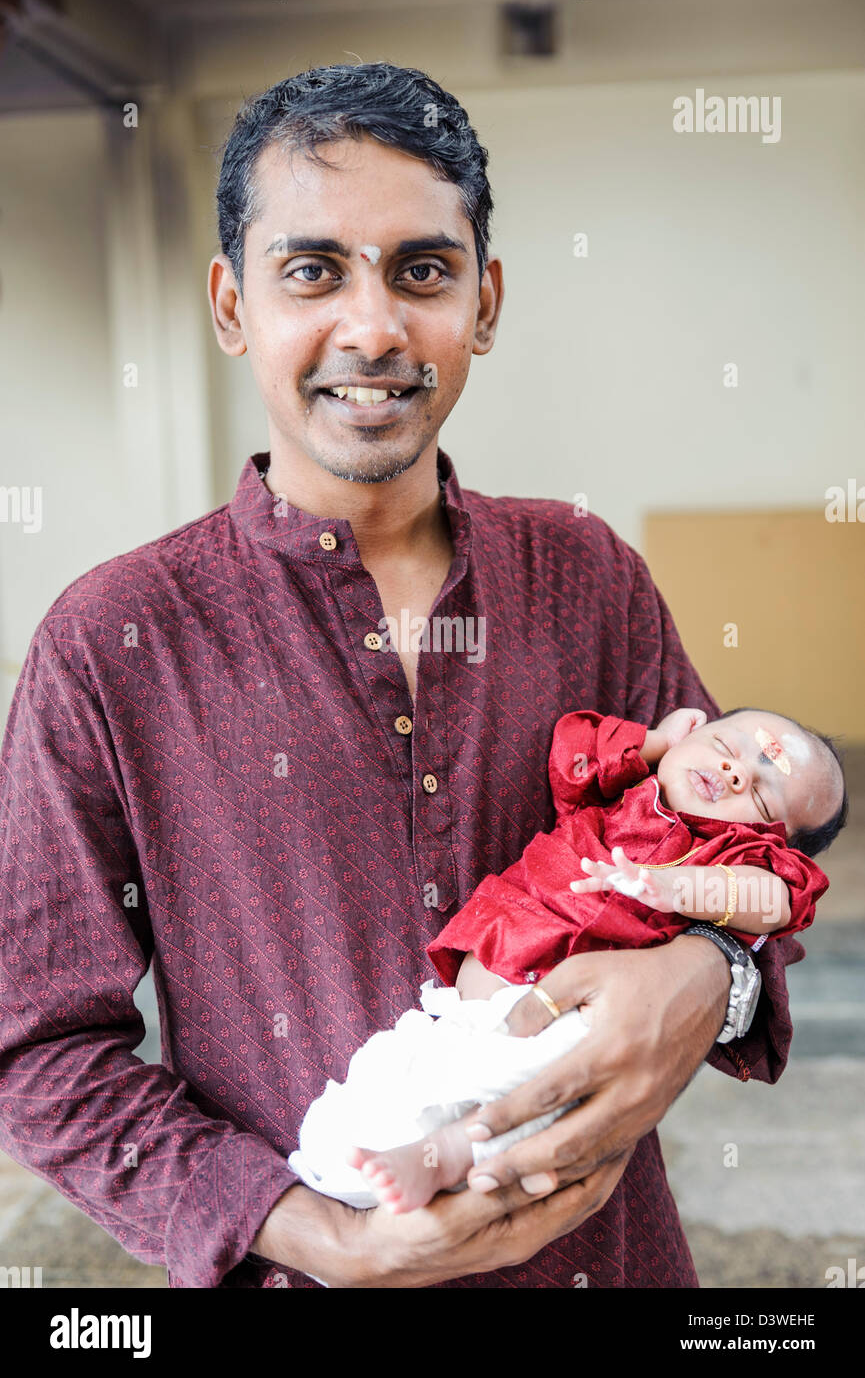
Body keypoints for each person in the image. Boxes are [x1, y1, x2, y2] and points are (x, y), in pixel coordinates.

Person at [0, 62, 815, 1290]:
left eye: (422, 271)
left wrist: (713, 980)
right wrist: (312, 1230)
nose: (373, 328)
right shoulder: (114, 641)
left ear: (483, 304)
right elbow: (39, 1054)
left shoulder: (586, 576)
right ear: (232, 302)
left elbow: (753, 859)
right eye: (312, 269)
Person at [286, 705, 845, 1216]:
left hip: (570, 1010)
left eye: (763, 797)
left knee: (543, 1082)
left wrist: (676, 889)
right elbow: (573, 747)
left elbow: (770, 900)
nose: (735, 773)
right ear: (692, 732)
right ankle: (341, 1165)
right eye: (726, 745)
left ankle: (452, 1154)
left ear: (776, 843)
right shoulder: (622, 789)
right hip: (477, 990)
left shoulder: (732, 857)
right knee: (394, 1068)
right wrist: (655, 740)